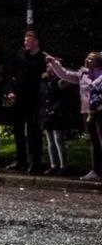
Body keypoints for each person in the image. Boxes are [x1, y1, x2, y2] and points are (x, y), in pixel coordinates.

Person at [45, 51, 102, 182]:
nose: (88, 60)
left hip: (99, 110)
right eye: (87, 57)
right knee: (94, 142)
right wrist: (55, 63)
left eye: (92, 59)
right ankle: (96, 170)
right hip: (87, 111)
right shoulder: (83, 74)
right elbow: (65, 74)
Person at [6, 30, 47, 172]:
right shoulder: (20, 55)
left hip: (34, 99)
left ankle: (35, 161)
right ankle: (20, 159)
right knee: (18, 130)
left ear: (36, 41)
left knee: (33, 130)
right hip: (19, 98)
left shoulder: (42, 58)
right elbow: (11, 74)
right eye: (25, 41)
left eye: (28, 41)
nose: (26, 44)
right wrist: (11, 91)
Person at [39, 69, 74, 175]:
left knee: (58, 140)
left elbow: (64, 98)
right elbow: (42, 97)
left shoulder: (62, 81)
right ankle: (53, 164)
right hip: (46, 113)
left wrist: (54, 109)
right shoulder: (44, 81)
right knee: (50, 141)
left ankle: (63, 165)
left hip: (58, 114)